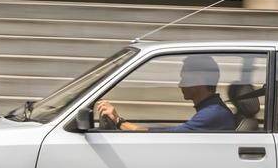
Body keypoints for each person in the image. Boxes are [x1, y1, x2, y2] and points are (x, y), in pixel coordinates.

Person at [95, 54, 237, 132]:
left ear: (198, 80)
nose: (180, 84)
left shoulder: (212, 114)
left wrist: (118, 121)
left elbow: (166, 135)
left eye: (184, 78)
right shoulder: (212, 110)